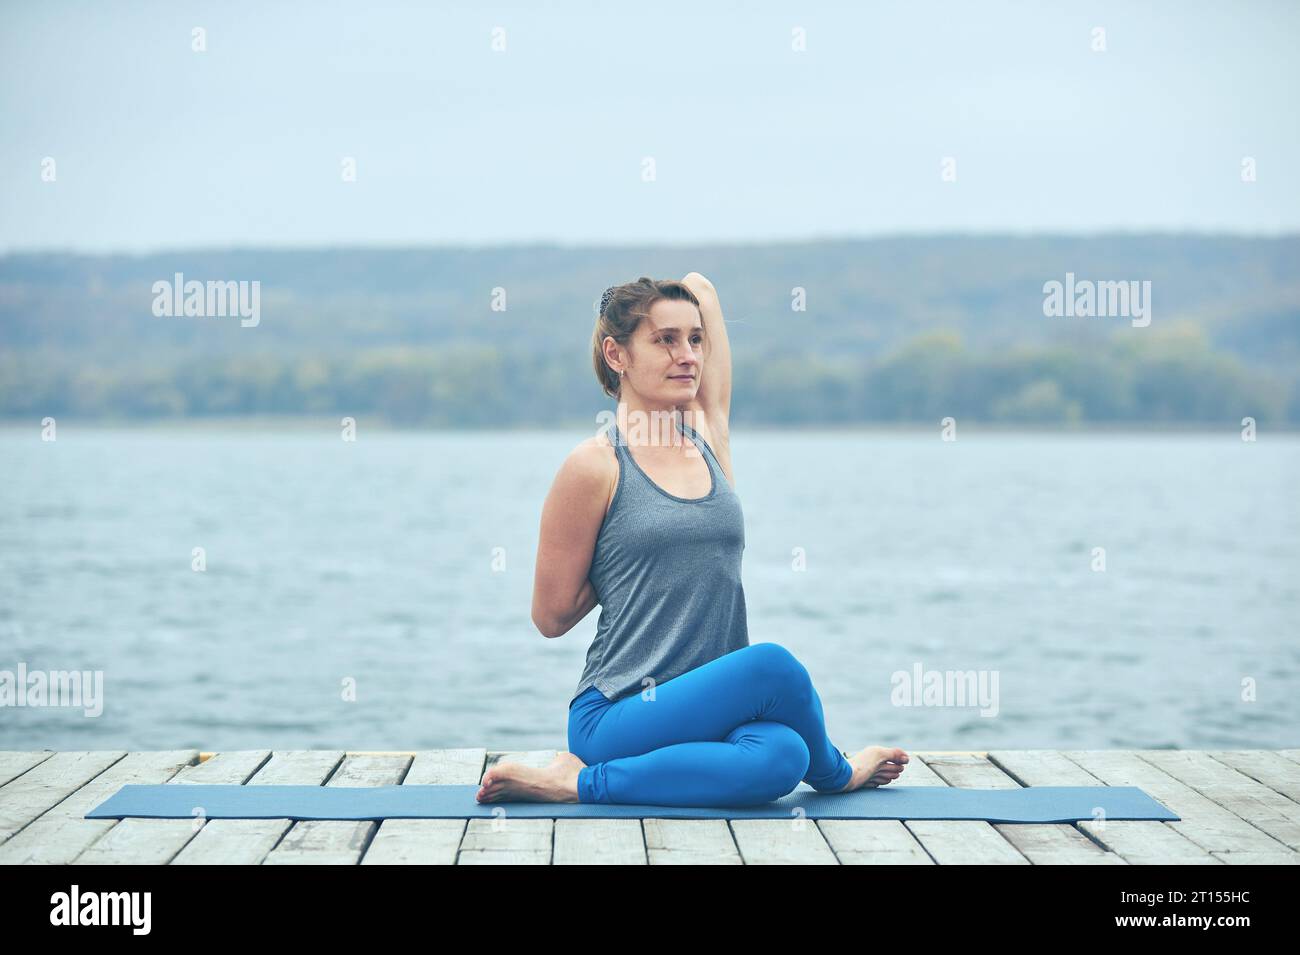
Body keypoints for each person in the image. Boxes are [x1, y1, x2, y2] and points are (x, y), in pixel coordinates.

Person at [476, 273, 908, 806]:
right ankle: (839, 773)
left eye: (695, 339)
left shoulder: (708, 436)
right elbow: (550, 616)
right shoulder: (595, 465)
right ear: (617, 355)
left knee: (782, 757)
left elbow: (702, 286)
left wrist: (677, 300)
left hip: (717, 713)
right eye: (664, 340)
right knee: (773, 666)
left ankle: (576, 781)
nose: (688, 355)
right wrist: (616, 556)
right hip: (617, 712)